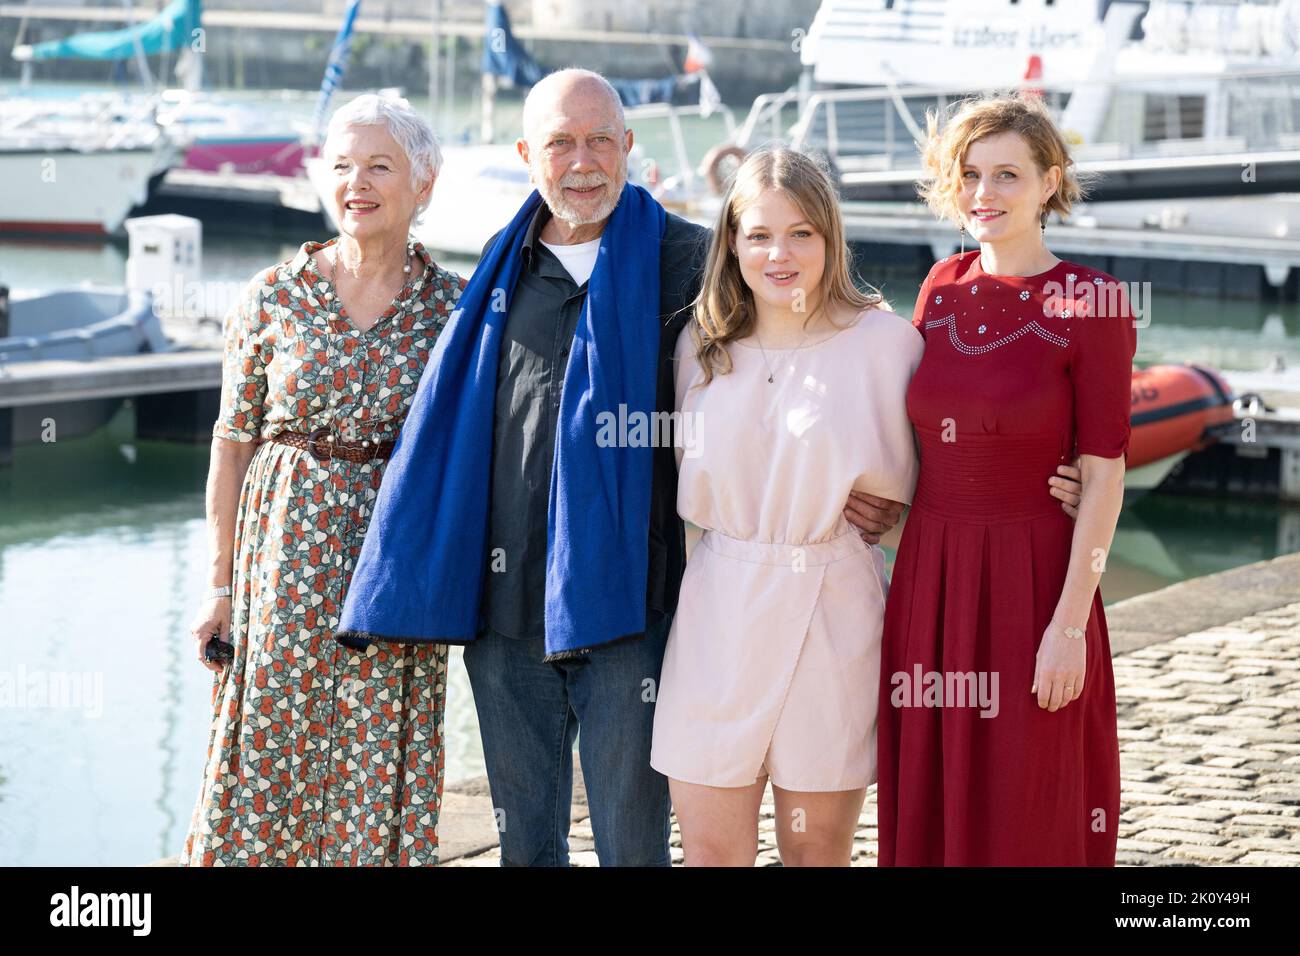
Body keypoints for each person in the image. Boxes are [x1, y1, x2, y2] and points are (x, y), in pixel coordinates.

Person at [181, 93, 464, 866]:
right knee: (267, 745)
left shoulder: (453, 308)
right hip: (279, 565)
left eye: (380, 165)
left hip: (393, 569)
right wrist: (218, 586)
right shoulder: (272, 295)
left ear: (424, 183)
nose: (357, 182)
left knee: (375, 750)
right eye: (341, 165)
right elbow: (232, 447)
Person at [876, 93, 1134, 866]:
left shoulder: (1092, 301)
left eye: (1007, 175)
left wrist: (1068, 626)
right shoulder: (939, 287)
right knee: (931, 787)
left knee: (1030, 798)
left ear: (1050, 181)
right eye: (969, 174)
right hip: (931, 576)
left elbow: (1104, 472)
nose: (983, 194)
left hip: (1036, 582)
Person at [650, 146, 923, 866]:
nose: (780, 253)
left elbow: (948, 480)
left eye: (802, 232)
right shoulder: (702, 345)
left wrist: (899, 515)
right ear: (731, 241)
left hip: (832, 608)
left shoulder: (888, 345)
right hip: (720, 607)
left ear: (831, 239)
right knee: (710, 850)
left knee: (816, 852)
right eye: (760, 233)